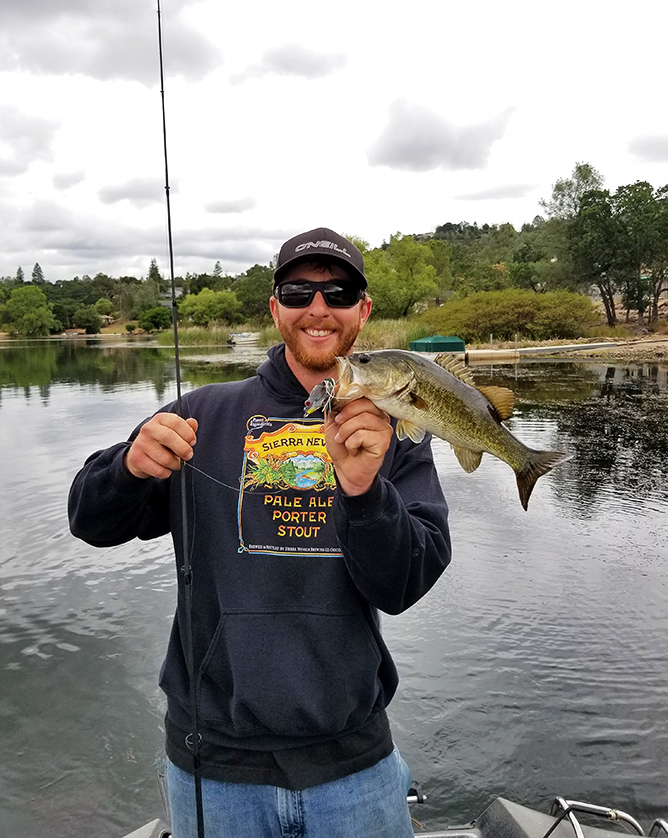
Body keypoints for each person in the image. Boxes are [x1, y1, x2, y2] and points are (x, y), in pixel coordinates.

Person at [68, 227, 451, 838]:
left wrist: (363, 492)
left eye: (339, 291)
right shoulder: (202, 414)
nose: (318, 308)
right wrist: (128, 469)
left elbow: (404, 584)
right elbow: (88, 521)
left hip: (355, 767)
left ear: (363, 309)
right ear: (275, 309)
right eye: (298, 292)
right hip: (214, 770)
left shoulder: (395, 432)